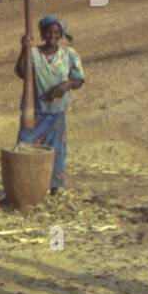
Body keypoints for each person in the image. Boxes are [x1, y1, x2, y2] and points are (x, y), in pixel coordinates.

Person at [14, 13, 86, 194]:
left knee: (57, 151)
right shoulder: (34, 53)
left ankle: (55, 188)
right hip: (35, 112)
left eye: (56, 32)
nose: (53, 36)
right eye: (49, 32)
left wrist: (66, 85)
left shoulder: (69, 55)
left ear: (60, 35)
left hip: (57, 113)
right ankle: (26, 188)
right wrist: (24, 48)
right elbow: (22, 72)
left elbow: (78, 79)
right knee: (25, 148)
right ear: (43, 34)